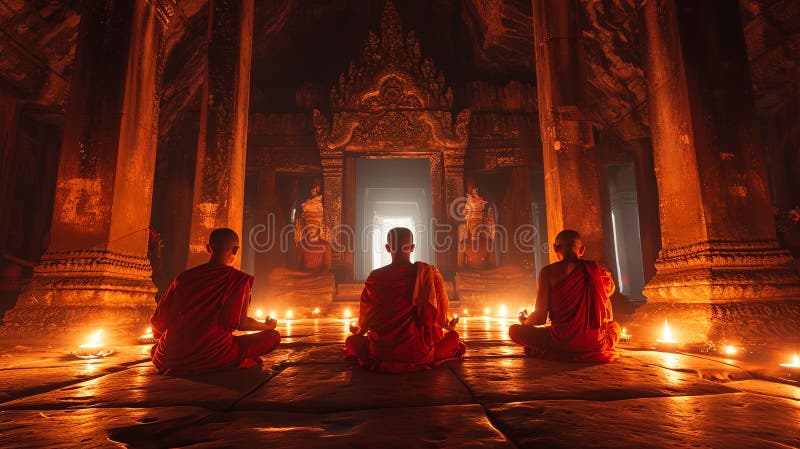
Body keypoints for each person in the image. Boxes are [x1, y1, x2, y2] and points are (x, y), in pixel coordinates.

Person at [150, 228, 281, 375]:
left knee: (158, 349)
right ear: (236, 250)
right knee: (273, 337)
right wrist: (267, 326)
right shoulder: (238, 280)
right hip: (214, 353)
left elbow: (159, 321)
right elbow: (242, 324)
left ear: (208, 248)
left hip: (171, 357)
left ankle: (179, 353)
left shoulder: (185, 277)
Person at [344, 227, 465, 372]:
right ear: (412, 247)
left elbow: (366, 319)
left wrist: (357, 331)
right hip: (419, 353)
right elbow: (434, 315)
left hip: (383, 353)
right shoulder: (425, 274)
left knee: (351, 342)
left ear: (388, 248)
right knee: (454, 337)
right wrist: (448, 324)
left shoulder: (375, 277)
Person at [509, 229, 620, 362]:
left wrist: (524, 321)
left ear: (555, 248)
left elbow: (539, 318)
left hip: (560, 342)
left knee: (514, 331)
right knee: (615, 327)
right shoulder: (595, 269)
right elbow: (608, 295)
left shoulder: (548, 272)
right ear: (582, 250)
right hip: (595, 343)